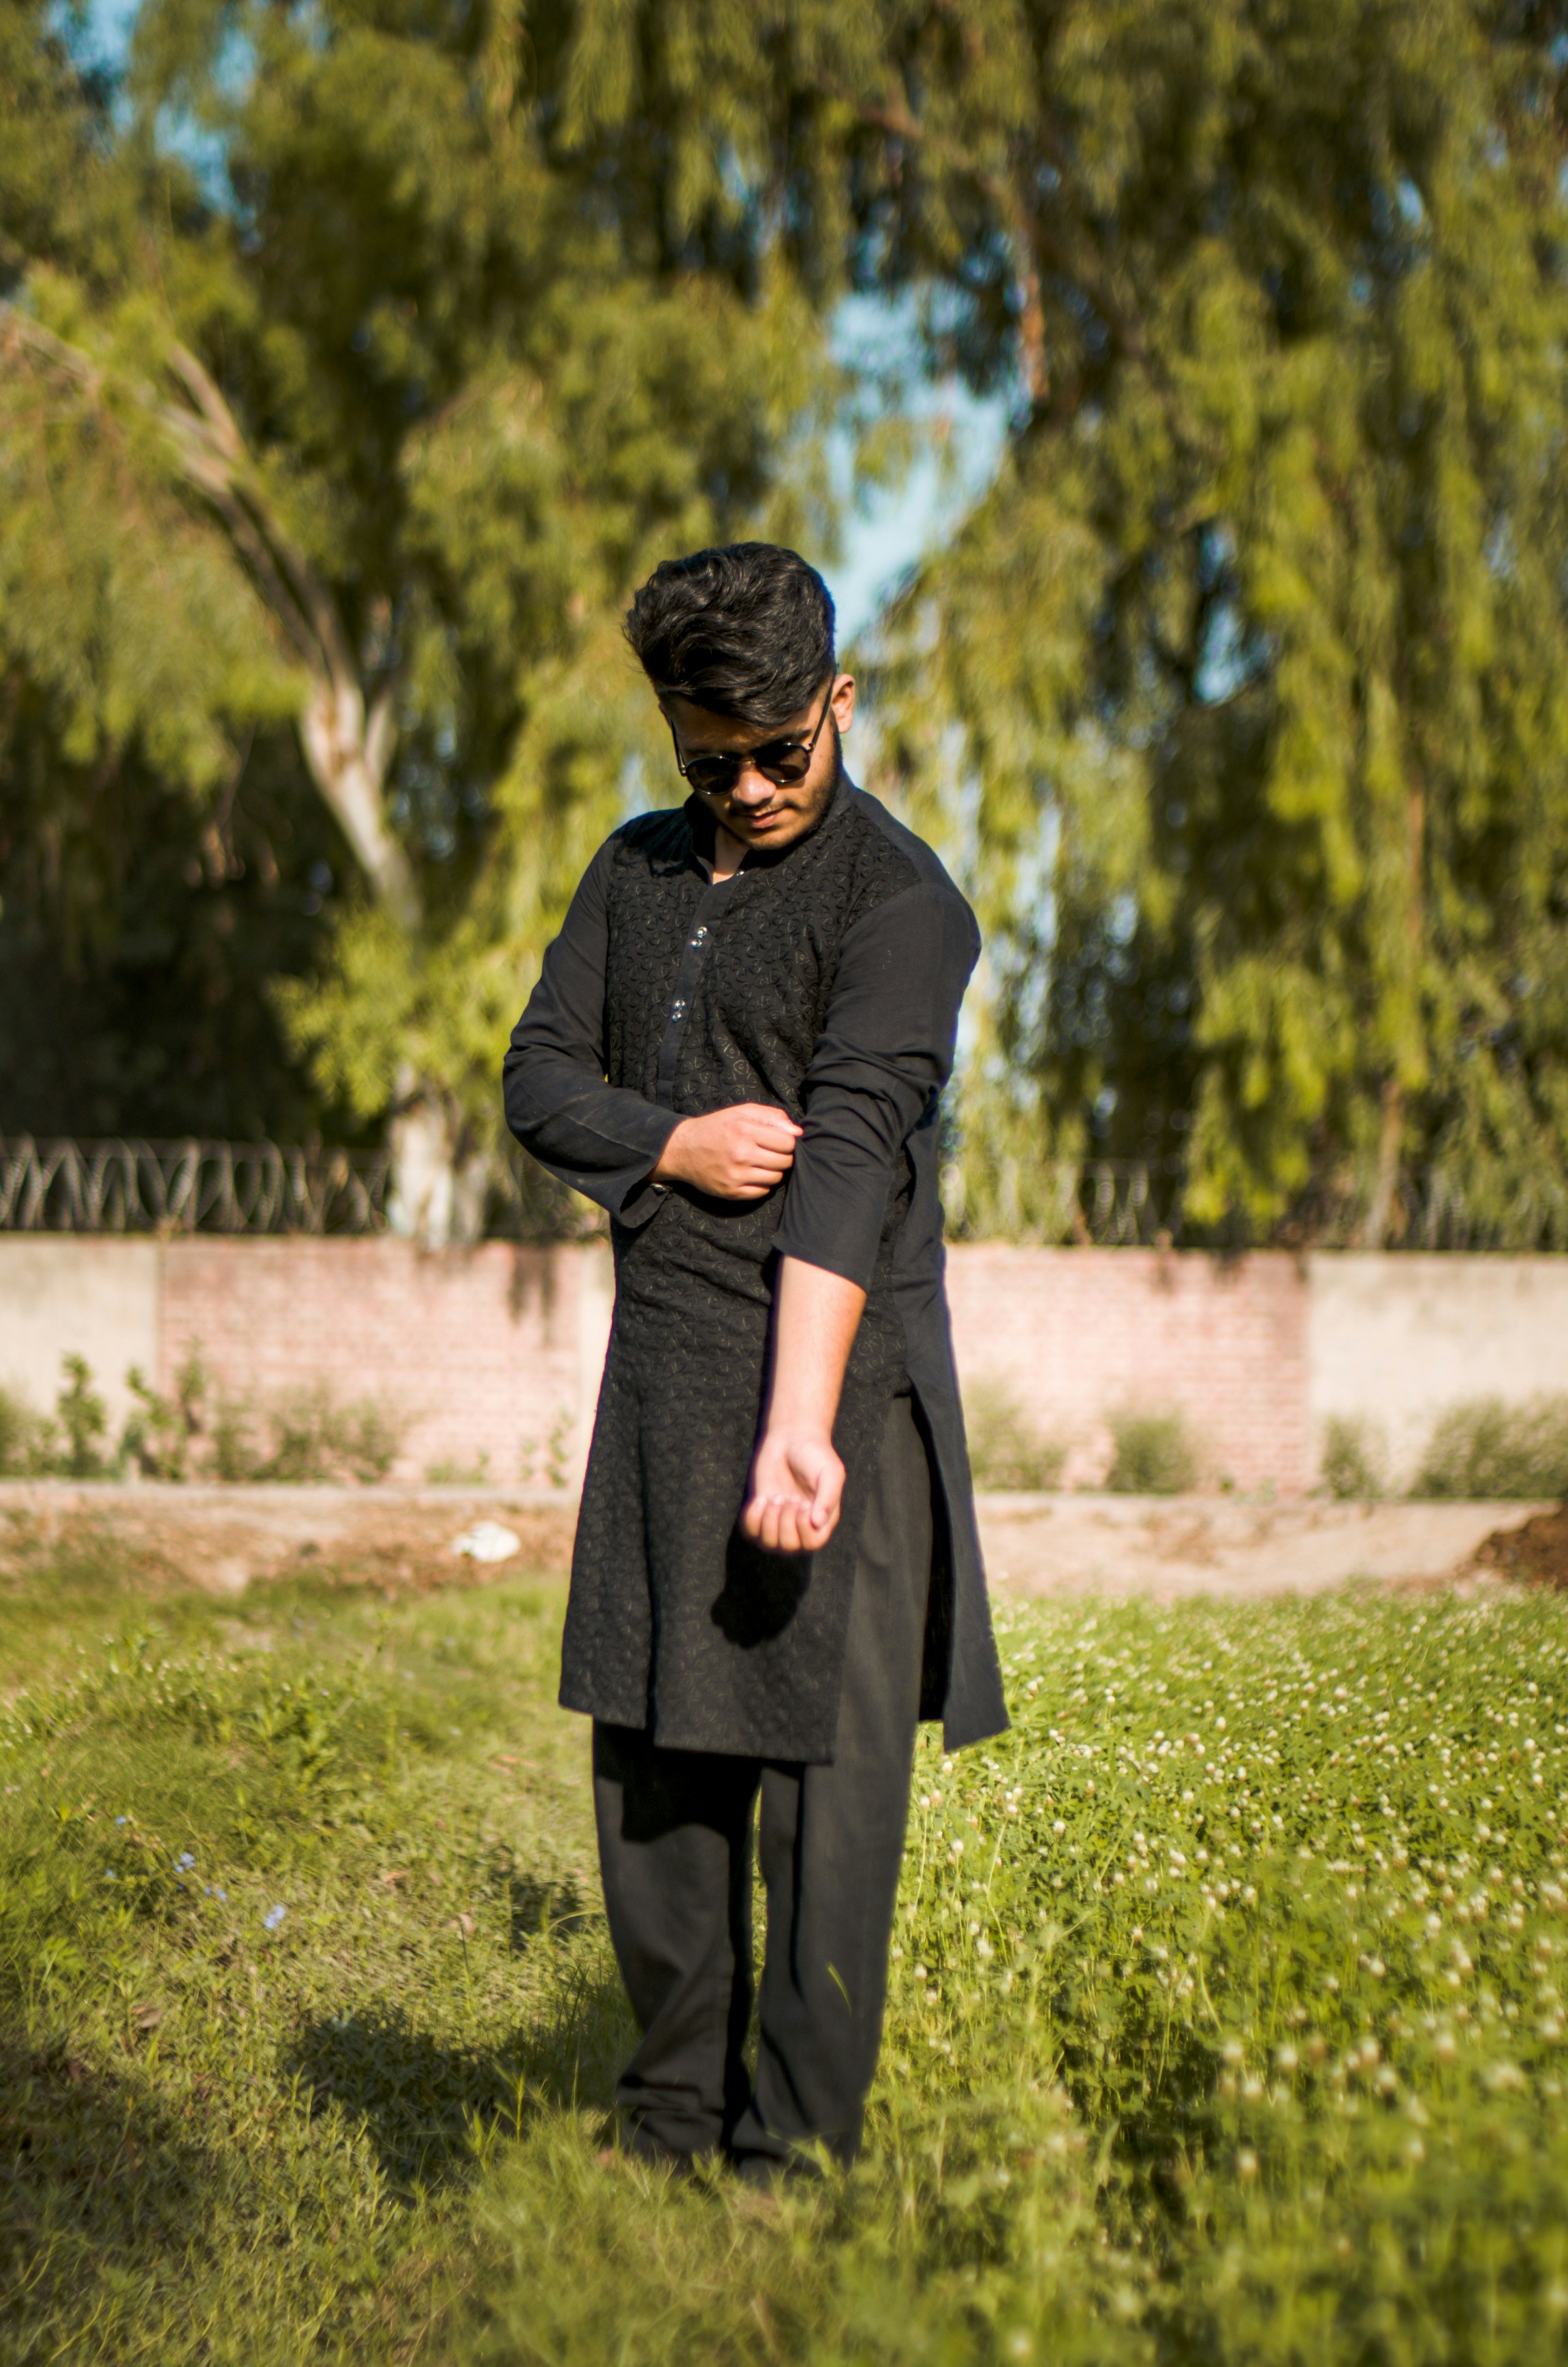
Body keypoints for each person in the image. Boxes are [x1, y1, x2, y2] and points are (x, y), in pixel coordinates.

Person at [502, 542, 1006, 2178]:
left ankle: (791, 2159)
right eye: (705, 761)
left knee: (821, 1801)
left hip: (836, 1385)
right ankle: (664, 2124)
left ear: (837, 702)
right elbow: (537, 1077)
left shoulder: (901, 907)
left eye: (776, 752)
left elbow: (850, 1161)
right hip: (665, 1375)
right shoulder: (633, 873)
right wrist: (673, 1142)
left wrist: (801, 1427)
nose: (745, 791)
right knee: (653, 1769)